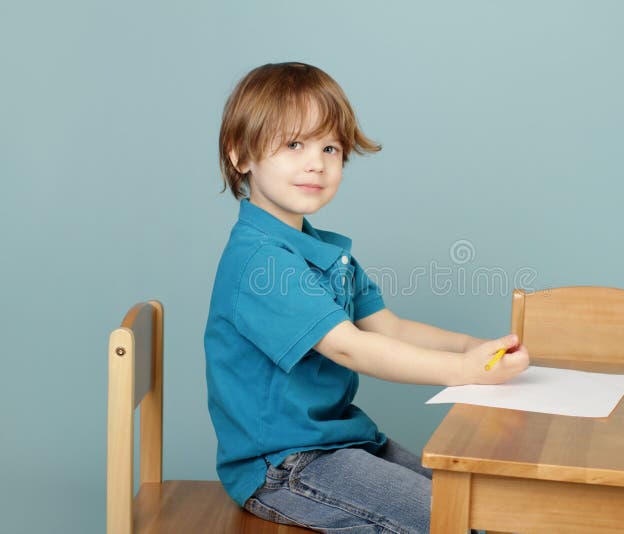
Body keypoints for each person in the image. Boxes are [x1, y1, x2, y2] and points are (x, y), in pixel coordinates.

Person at [204, 61, 529, 533]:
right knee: (450, 520)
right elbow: (348, 346)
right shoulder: (261, 261)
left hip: (340, 441)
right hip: (285, 464)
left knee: (477, 505)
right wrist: (462, 372)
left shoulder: (321, 251)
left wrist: (471, 348)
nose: (316, 162)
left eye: (329, 147)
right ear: (241, 156)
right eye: (294, 144)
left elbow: (389, 327)